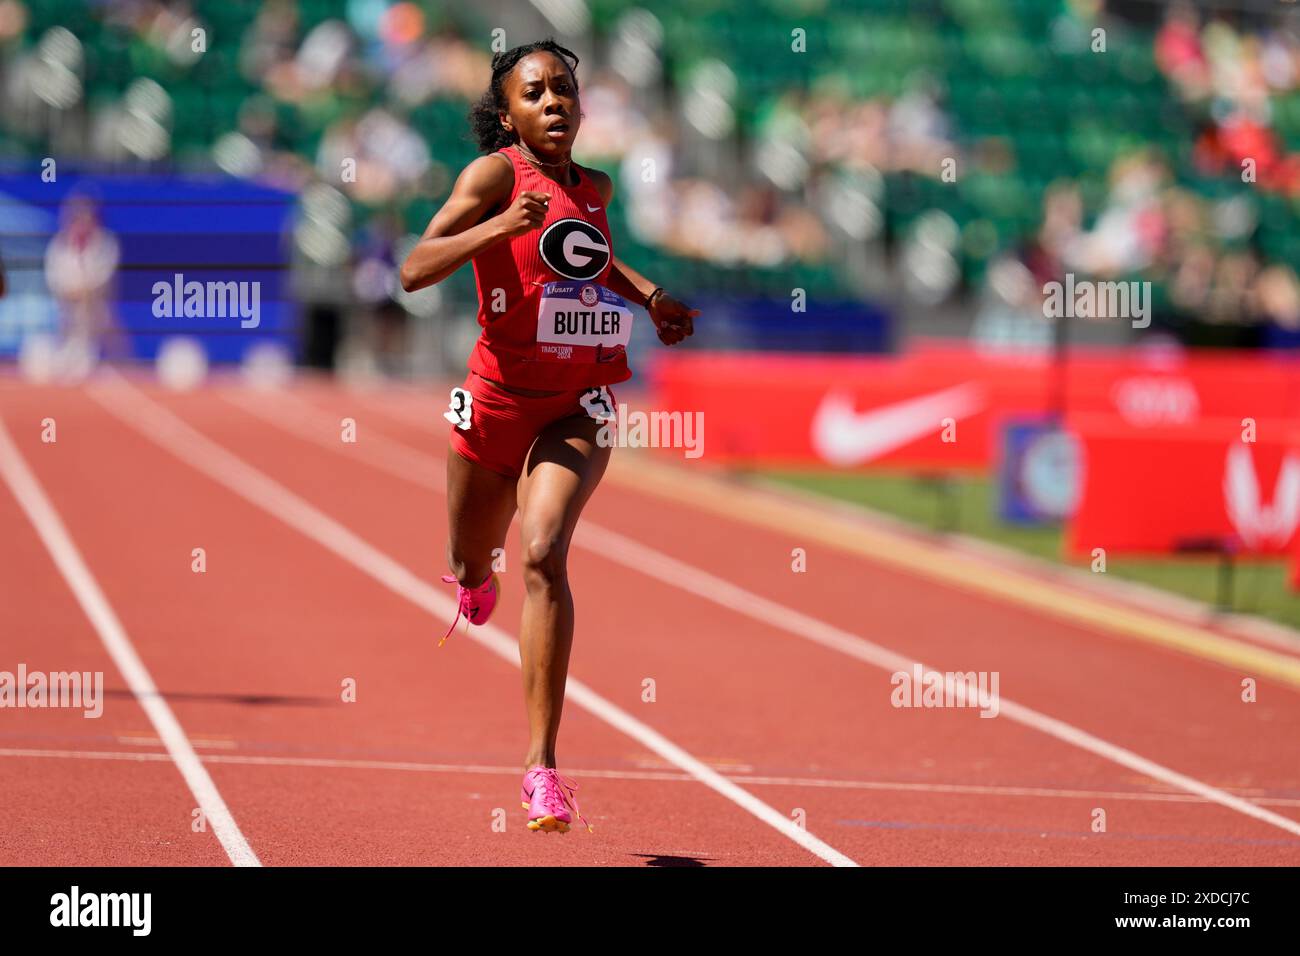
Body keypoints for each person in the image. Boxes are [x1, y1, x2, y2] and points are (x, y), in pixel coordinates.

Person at [400, 38, 697, 834]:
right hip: (496, 399)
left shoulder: (594, 188)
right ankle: (470, 577)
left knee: (543, 552)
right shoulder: (493, 177)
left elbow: (585, 263)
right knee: (475, 555)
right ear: (508, 115)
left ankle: (542, 769)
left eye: (564, 89)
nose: (555, 102)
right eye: (535, 93)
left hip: (578, 403)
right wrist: (498, 227)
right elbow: (415, 266)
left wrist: (650, 295)